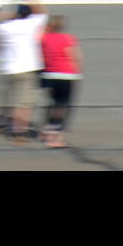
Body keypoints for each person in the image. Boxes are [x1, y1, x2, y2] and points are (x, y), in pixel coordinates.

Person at [0, 0, 47, 143]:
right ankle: (19, 132)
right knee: (24, 104)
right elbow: (42, 13)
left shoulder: (4, 28)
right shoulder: (31, 24)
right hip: (27, 69)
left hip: (8, 69)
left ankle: (5, 123)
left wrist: (8, 16)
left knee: (9, 99)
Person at [39, 15, 83, 149]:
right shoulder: (67, 39)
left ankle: (47, 130)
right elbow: (75, 57)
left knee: (54, 103)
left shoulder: (44, 38)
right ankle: (55, 136)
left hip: (49, 74)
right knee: (63, 106)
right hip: (66, 74)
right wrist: (79, 70)